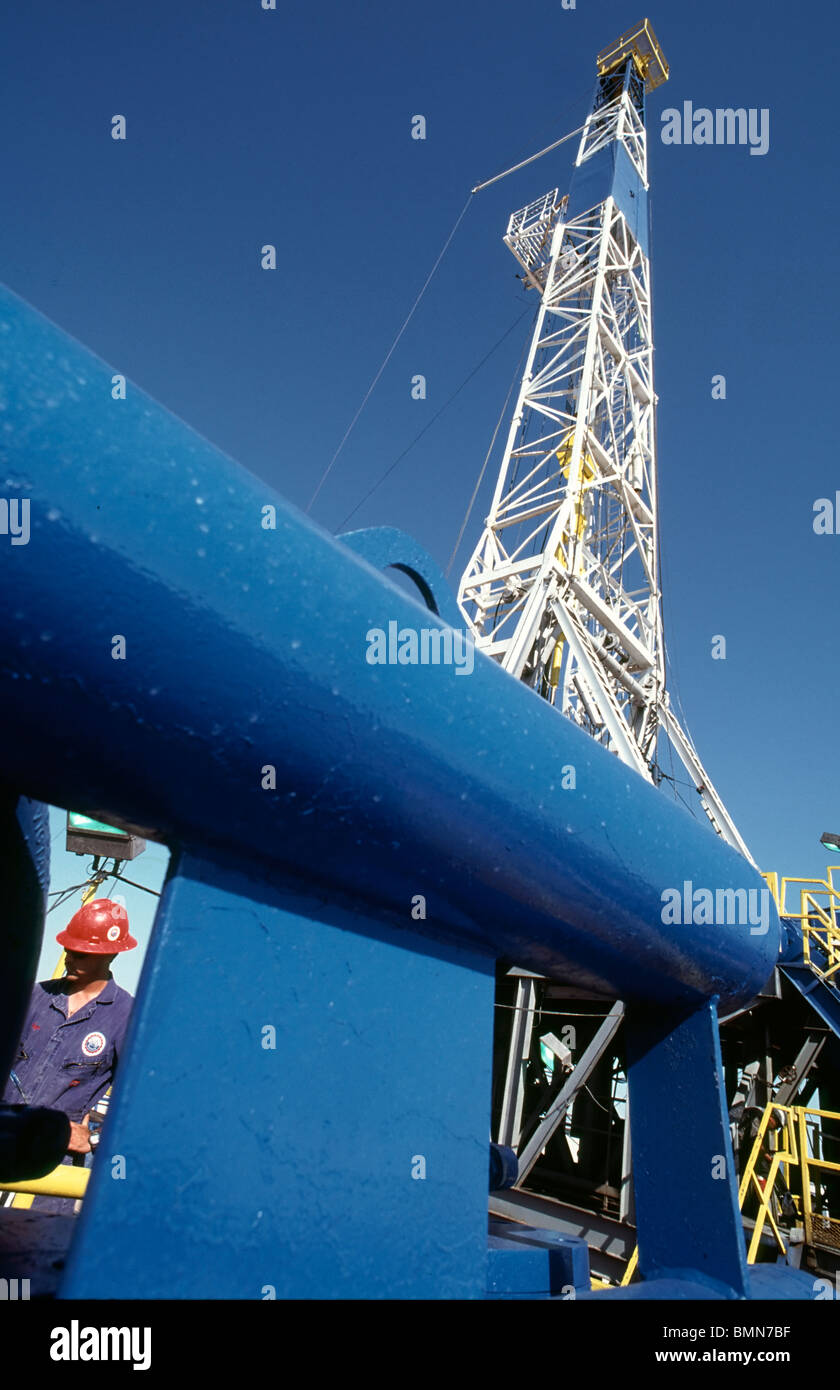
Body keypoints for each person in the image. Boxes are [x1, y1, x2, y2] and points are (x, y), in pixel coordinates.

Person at [1, 898, 136, 1211]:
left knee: (28, 1249)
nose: (70, 958)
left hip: (53, 1166)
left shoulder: (126, 1017)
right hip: (4, 1139)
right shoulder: (34, 996)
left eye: (82, 953)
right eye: (69, 949)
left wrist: (93, 1138)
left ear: (111, 954)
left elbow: (140, 1101)